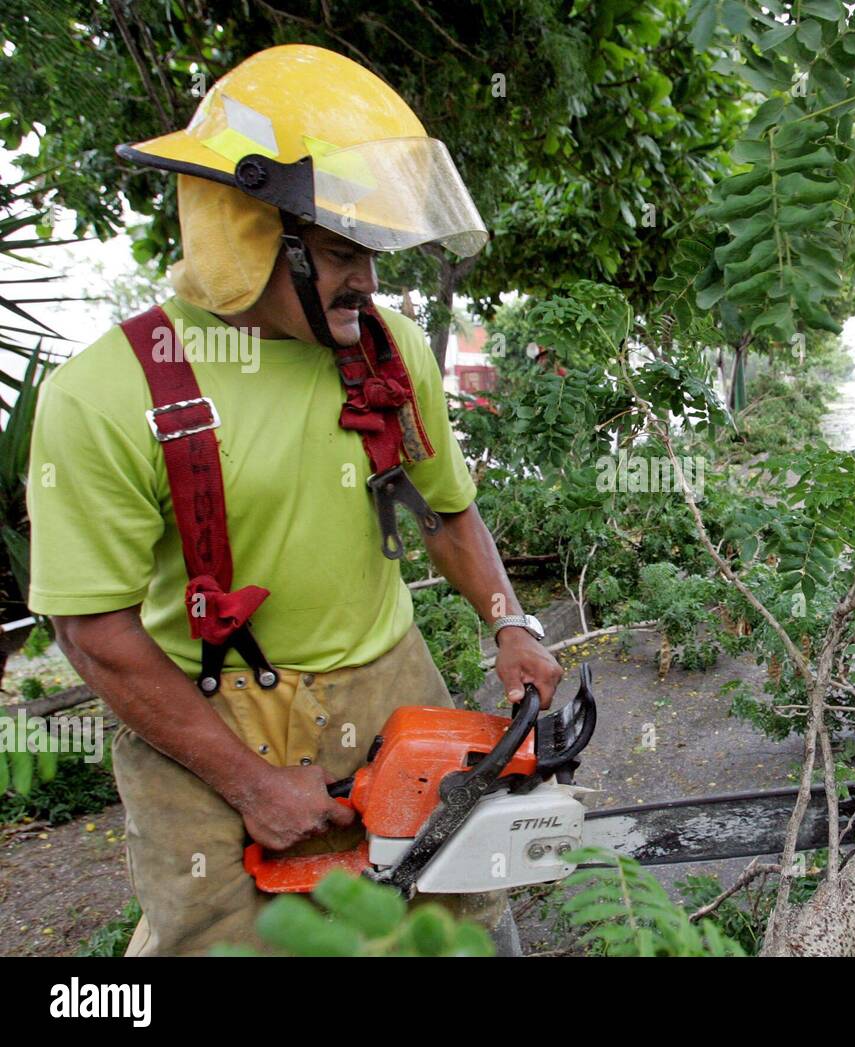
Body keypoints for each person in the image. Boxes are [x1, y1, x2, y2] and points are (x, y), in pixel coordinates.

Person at [24, 43, 563, 956]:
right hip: (208, 715)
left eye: (374, 253)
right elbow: (94, 633)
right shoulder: (105, 394)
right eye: (343, 254)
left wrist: (511, 621)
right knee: (231, 942)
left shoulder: (388, 351)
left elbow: (445, 510)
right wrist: (247, 780)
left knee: (458, 919)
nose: (370, 281)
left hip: (392, 679)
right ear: (246, 236)